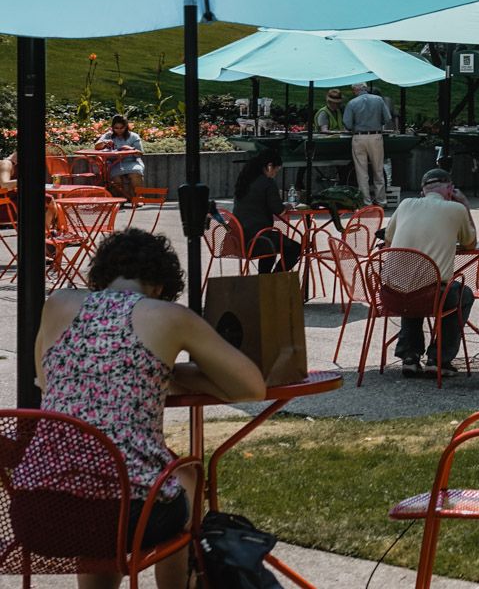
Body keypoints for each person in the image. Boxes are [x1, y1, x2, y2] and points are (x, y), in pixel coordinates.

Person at [21, 230, 265, 588]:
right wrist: (172, 370)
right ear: (159, 285)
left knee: (97, 491)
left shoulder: (58, 304)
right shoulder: (169, 316)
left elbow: (47, 381)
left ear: (102, 275)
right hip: (124, 513)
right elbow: (251, 386)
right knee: (188, 477)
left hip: (39, 509)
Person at [383, 167, 477, 377]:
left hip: (390, 293)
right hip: (430, 295)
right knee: (462, 294)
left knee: (411, 281)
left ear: (423, 190)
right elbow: (471, 244)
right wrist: (465, 205)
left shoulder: (405, 204)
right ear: (450, 189)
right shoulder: (456, 209)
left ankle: (410, 355)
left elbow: (388, 241)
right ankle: (438, 359)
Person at [231, 149, 302, 275]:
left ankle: (264, 280)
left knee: (272, 246)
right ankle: (275, 278)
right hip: (258, 238)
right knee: (295, 248)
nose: (275, 174)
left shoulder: (245, 181)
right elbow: (279, 212)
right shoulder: (267, 183)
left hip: (238, 238)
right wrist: (287, 206)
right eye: (276, 170)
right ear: (269, 166)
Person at [342, 82, 394, 205]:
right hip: (376, 136)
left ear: (355, 90)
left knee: (362, 172)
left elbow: (347, 124)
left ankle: (366, 201)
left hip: (359, 138)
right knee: (378, 170)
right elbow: (387, 118)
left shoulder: (352, 103)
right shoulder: (379, 100)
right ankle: (381, 200)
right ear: (365, 88)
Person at [94, 113, 146, 202]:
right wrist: (105, 143)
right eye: (116, 128)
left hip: (131, 161)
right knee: (115, 178)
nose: (119, 130)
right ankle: (120, 199)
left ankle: (138, 197)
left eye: (122, 128)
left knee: (136, 173)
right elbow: (97, 147)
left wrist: (131, 149)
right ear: (112, 127)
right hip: (114, 163)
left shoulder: (133, 136)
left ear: (126, 127)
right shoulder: (108, 135)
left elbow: (140, 153)